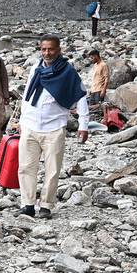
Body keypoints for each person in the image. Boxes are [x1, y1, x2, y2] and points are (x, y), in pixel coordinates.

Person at [18, 34, 89, 218]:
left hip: (54, 128)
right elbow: (27, 95)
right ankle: (27, 204)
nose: (47, 53)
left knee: (52, 170)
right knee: (26, 167)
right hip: (30, 125)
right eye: (43, 49)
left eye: (50, 49)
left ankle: (46, 206)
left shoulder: (67, 72)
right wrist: (21, 120)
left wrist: (84, 125)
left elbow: (80, 96)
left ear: (58, 50)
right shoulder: (36, 69)